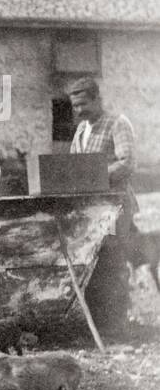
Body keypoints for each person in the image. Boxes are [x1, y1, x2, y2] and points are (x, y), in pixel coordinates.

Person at [68, 76, 137, 331]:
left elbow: (127, 162)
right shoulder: (81, 129)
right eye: (75, 106)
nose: (78, 111)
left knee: (113, 261)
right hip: (90, 209)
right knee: (92, 263)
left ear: (98, 99)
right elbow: (74, 165)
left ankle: (118, 324)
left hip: (115, 207)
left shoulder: (118, 123)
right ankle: (97, 324)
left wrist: (94, 175)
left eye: (83, 104)